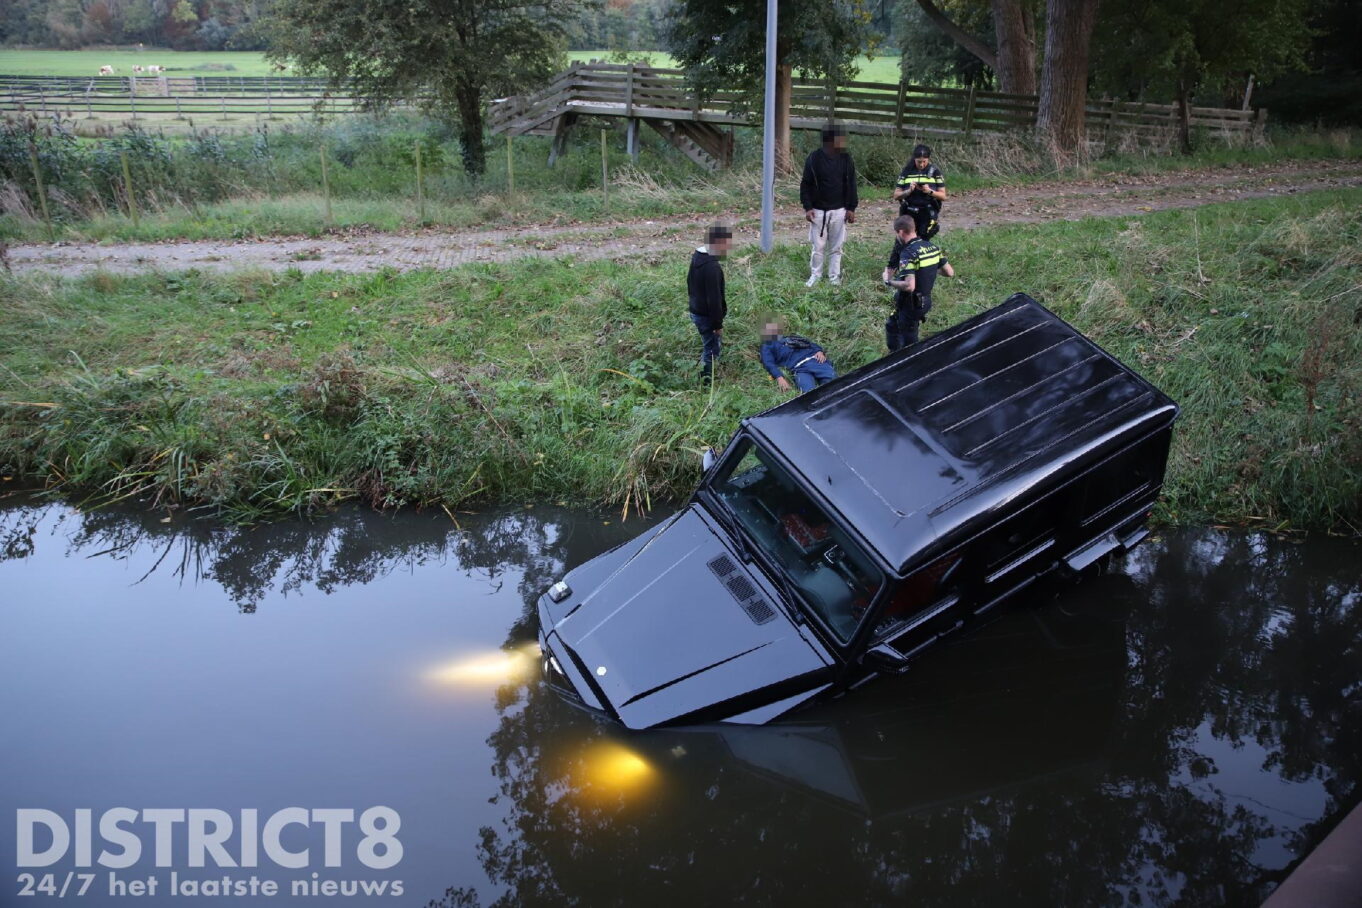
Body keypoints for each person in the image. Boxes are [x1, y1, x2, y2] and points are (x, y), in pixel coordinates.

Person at [883, 214, 954, 351]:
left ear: (901, 232)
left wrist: (888, 281)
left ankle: (907, 364)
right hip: (925, 301)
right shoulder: (931, 247)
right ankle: (893, 355)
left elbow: (909, 286)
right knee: (892, 325)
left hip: (912, 304)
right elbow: (949, 272)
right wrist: (926, 270)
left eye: (896, 234)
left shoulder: (908, 253)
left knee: (909, 344)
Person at [799, 123, 858, 287]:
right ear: (830, 140)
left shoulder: (846, 159)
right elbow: (806, 184)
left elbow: (851, 184)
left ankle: (834, 277)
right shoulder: (814, 158)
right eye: (840, 138)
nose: (843, 141)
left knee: (836, 248)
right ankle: (815, 275)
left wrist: (851, 208)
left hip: (839, 210)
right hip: (818, 211)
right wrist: (808, 207)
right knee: (818, 248)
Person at [688, 222, 732, 382]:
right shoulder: (712, 267)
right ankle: (706, 379)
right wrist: (717, 325)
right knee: (712, 349)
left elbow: (689, 283)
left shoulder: (697, 257)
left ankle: (706, 373)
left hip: (695, 311)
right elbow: (714, 300)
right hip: (707, 316)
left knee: (708, 344)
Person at [760, 319, 837, 393]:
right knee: (808, 393)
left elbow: (810, 344)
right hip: (799, 369)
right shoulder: (767, 346)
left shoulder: (791, 337)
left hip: (815, 360)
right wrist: (779, 377)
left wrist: (819, 351)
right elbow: (768, 363)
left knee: (833, 384)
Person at [893, 143, 946, 240]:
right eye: (918, 162)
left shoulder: (935, 172)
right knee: (904, 239)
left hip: (927, 211)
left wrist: (929, 191)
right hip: (909, 210)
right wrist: (908, 191)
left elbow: (943, 196)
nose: (921, 165)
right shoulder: (906, 172)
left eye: (924, 162)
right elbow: (896, 195)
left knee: (923, 239)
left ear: (928, 159)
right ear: (914, 159)